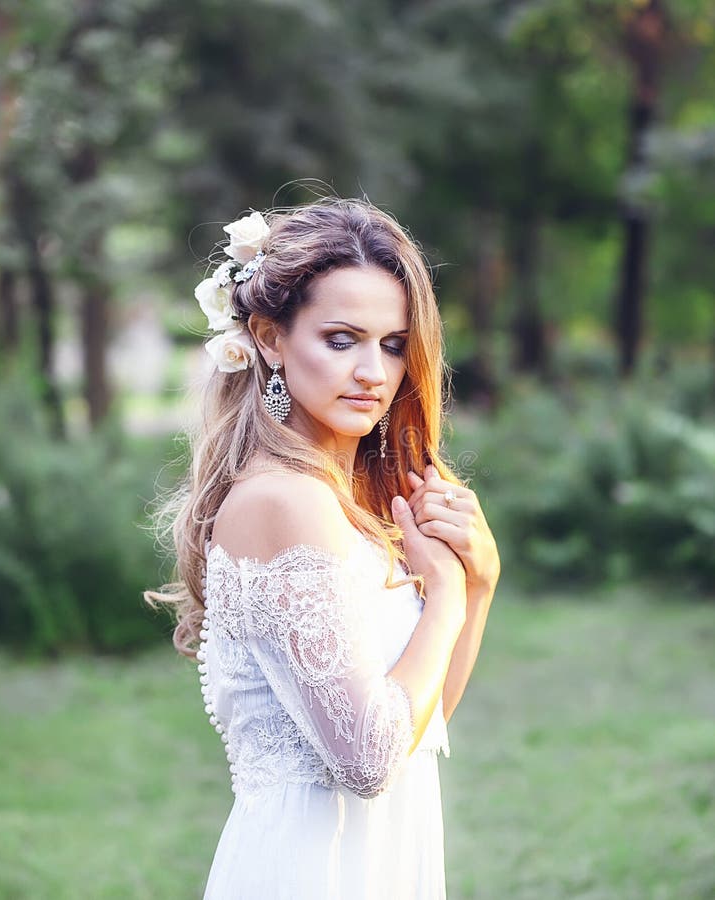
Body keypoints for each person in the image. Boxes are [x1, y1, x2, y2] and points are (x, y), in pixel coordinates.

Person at [145, 197, 500, 899]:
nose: (374, 371)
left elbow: (417, 727)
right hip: (313, 869)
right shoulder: (283, 500)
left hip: (381, 860)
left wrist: (477, 585)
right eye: (342, 340)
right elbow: (368, 760)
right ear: (269, 338)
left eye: (393, 344)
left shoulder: (350, 501)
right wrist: (445, 597)